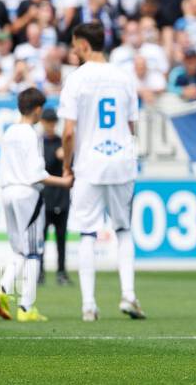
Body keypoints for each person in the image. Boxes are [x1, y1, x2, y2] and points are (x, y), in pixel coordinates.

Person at [60, 21, 144, 321]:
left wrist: (67, 164)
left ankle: (88, 305)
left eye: (74, 45)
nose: (73, 51)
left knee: (87, 232)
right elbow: (132, 125)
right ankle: (129, 295)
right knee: (123, 230)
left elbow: (68, 132)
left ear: (83, 44)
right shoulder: (124, 77)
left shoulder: (76, 79)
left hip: (89, 163)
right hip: (122, 160)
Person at [0, 87, 72, 322]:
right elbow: (36, 174)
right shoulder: (30, 134)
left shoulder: (8, 132)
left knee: (19, 250)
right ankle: (26, 307)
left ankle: (2, 289)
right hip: (26, 193)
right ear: (37, 110)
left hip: (7, 191)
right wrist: (64, 182)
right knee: (34, 251)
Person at [39, 106, 71, 286]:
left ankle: (61, 272)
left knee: (61, 238)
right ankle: (40, 272)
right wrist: (56, 156)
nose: (50, 126)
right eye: (48, 122)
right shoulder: (39, 143)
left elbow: (71, 164)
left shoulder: (63, 141)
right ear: (43, 123)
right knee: (41, 238)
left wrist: (65, 155)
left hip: (62, 196)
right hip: (45, 197)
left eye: (53, 122)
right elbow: (41, 167)